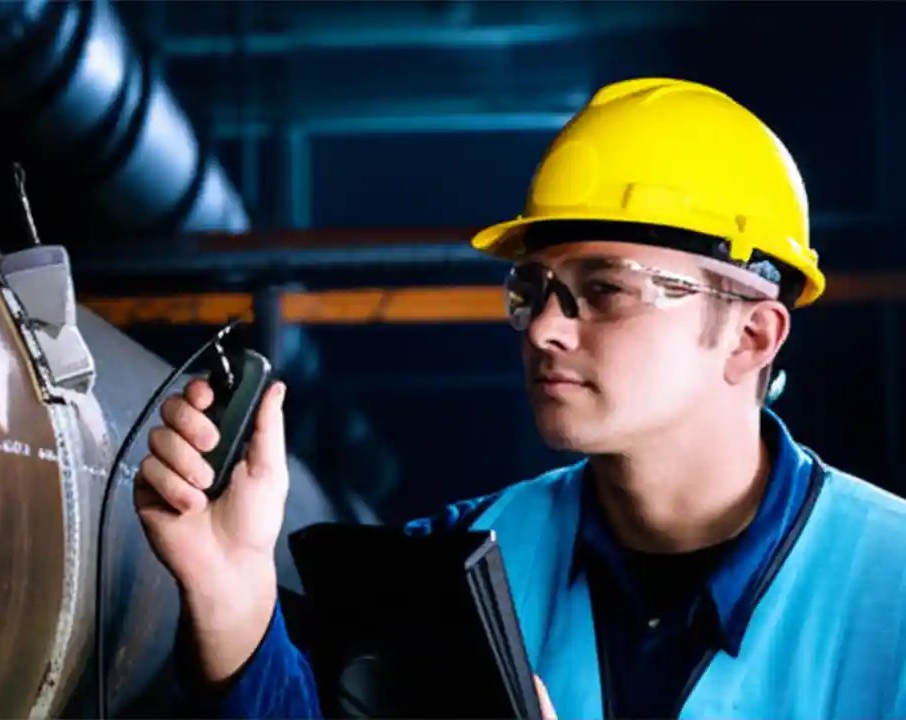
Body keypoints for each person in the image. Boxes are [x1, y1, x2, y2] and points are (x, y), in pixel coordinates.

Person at [132, 77, 906, 719]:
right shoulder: (457, 561)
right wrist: (232, 604)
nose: (543, 330)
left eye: (602, 290)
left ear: (751, 337)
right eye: (533, 291)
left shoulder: (890, 581)